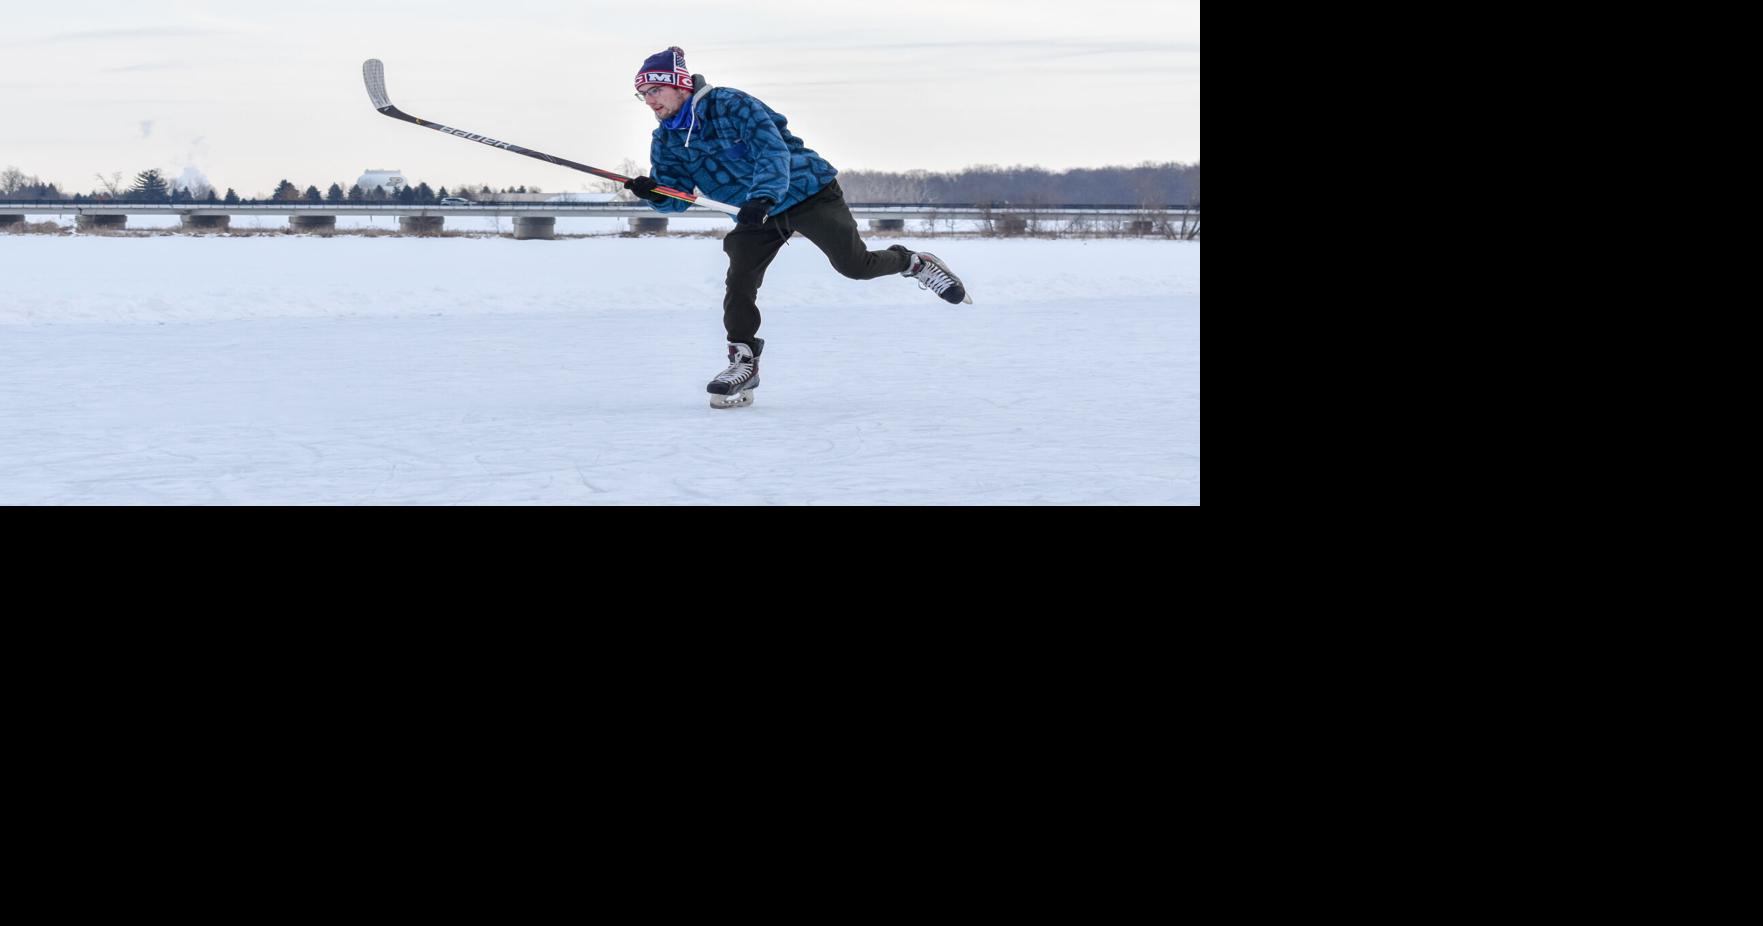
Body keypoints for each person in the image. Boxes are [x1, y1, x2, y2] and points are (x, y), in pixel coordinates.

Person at [622, 47, 972, 409]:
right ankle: (743, 361)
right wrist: (653, 192)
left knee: (854, 265)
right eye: (643, 95)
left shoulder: (730, 105)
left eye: (654, 91)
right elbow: (677, 197)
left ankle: (912, 263)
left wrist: (762, 196)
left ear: (679, 85)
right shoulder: (666, 139)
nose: (649, 101)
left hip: (806, 191)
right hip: (753, 213)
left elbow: (772, 151)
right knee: (740, 279)